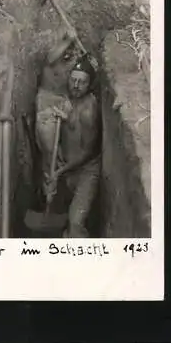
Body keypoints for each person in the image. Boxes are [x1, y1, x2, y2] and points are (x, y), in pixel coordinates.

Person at [44, 54, 101, 238]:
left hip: (86, 171)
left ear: (89, 84)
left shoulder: (89, 111)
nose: (75, 85)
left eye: (81, 82)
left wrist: (59, 172)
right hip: (68, 167)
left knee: (75, 222)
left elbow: (87, 152)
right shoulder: (71, 99)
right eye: (73, 80)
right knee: (58, 203)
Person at [34, 27, 81, 182]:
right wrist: (67, 40)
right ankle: (48, 189)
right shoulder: (52, 61)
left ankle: (65, 183)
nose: (71, 53)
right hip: (46, 106)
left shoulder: (73, 64)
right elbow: (51, 57)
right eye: (68, 50)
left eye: (73, 50)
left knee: (67, 150)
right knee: (49, 152)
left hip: (64, 103)